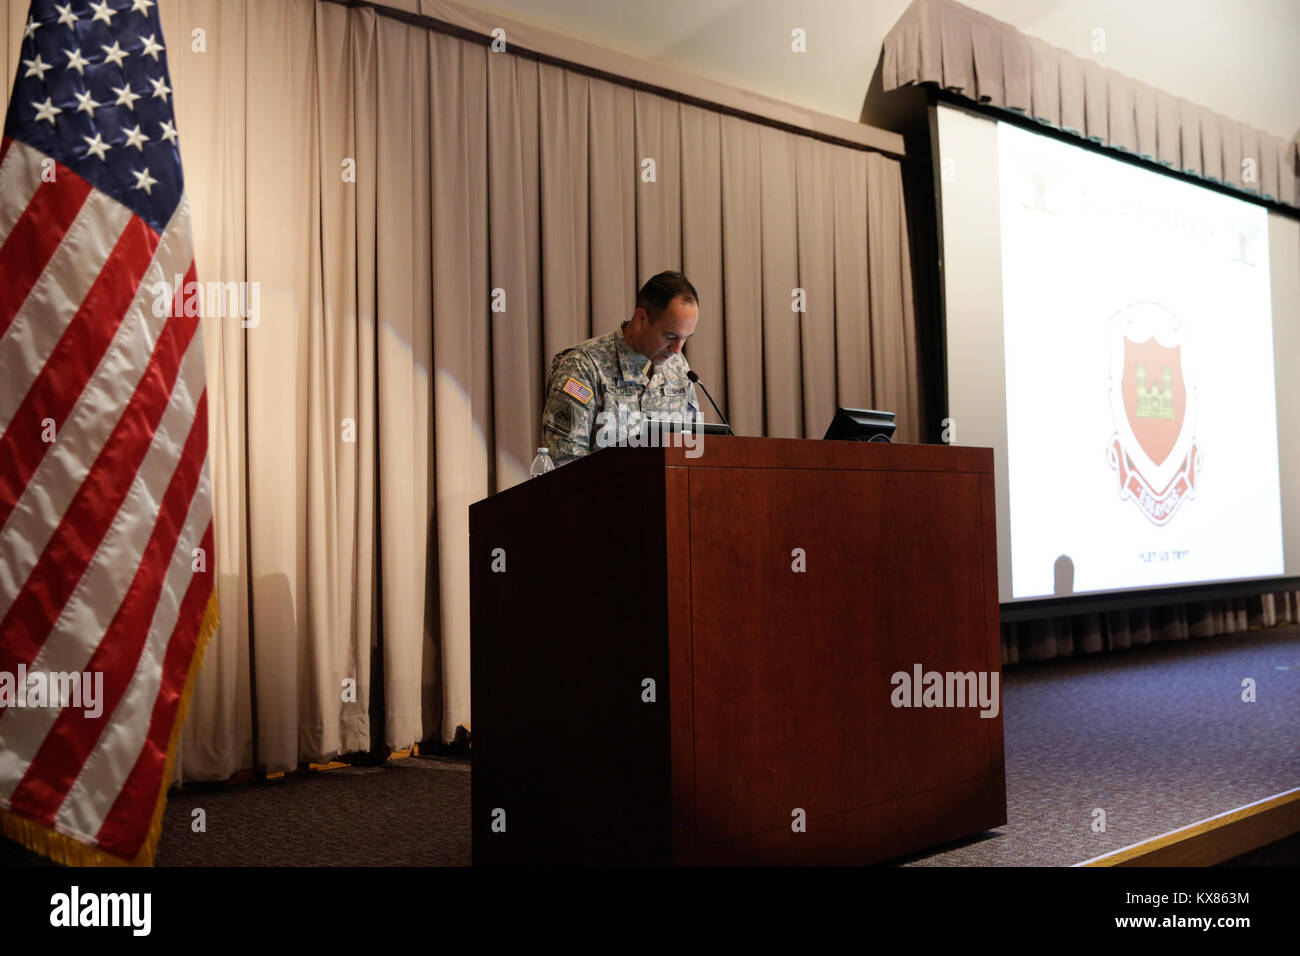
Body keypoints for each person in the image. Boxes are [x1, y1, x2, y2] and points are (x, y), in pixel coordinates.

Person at [542, 271, 702, 465]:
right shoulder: (583, 366)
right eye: (670, 337)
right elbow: (563, 463)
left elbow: (694, 451)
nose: (677, 349)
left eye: (685, 338)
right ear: (641, 318)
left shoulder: (679, 367)